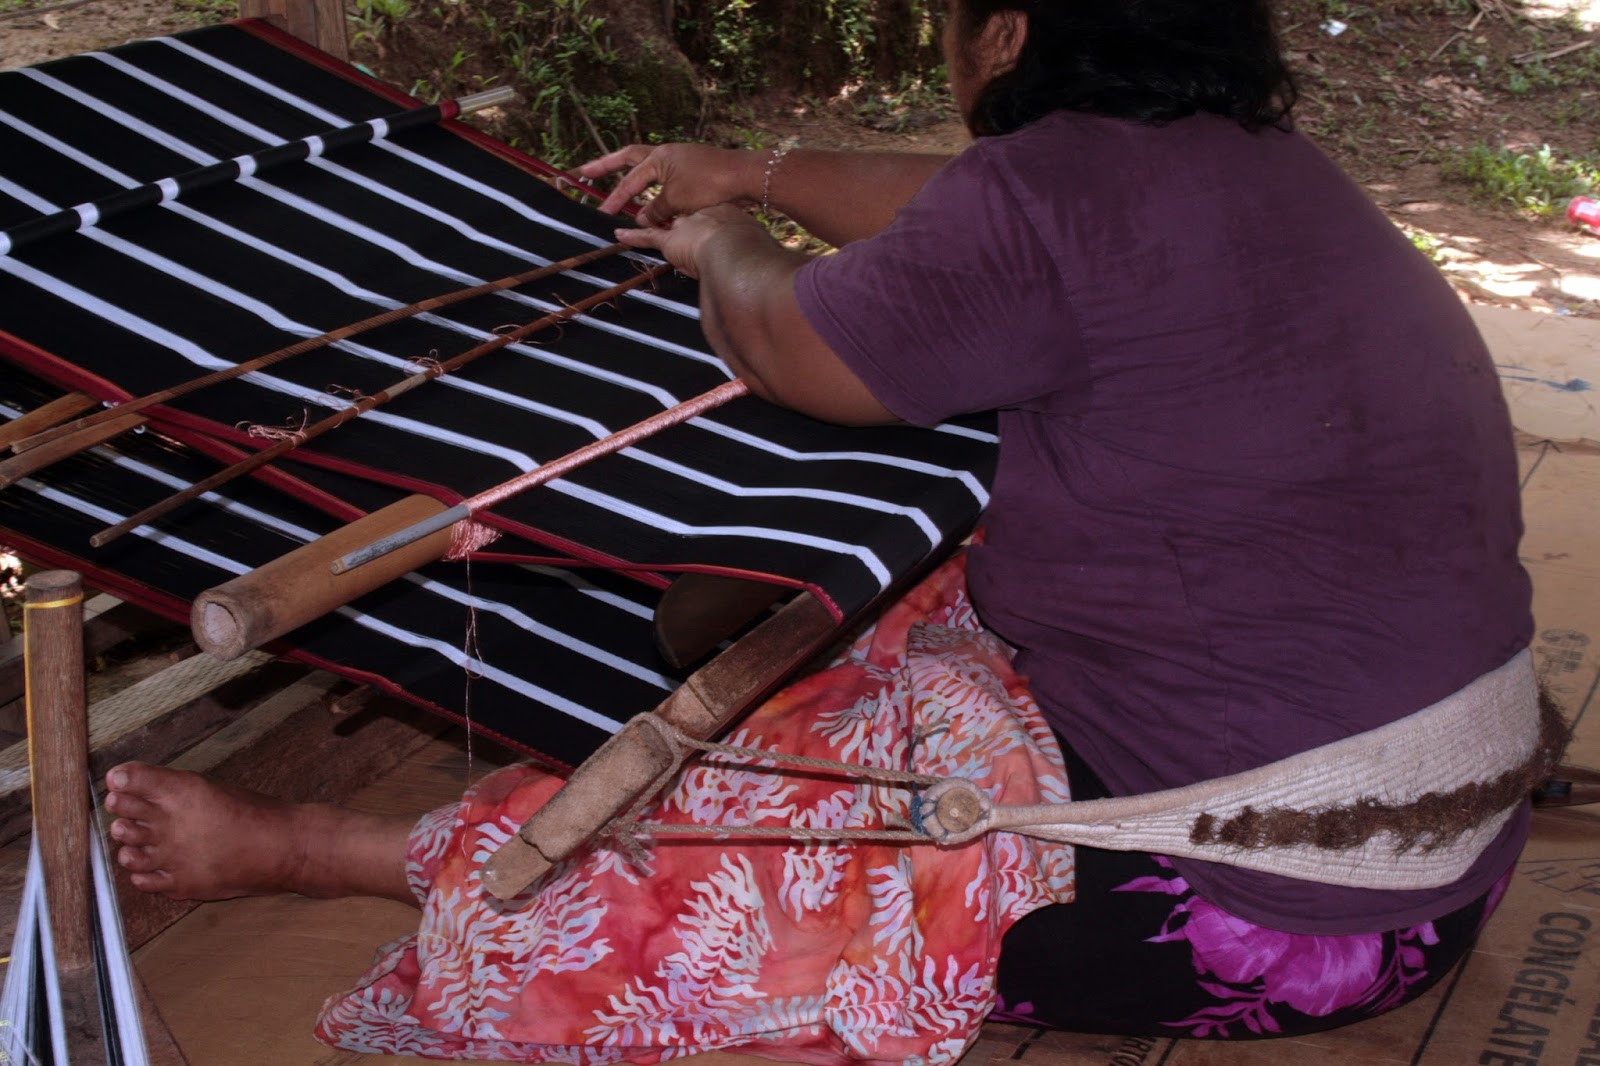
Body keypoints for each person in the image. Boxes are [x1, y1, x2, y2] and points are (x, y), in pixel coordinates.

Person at [105, 0, 1551, 1053]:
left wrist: (727, 244)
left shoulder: (1054, 202)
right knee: (877, 636)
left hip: (1260, 915)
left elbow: (792, 350)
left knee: (756, 839)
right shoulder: (1262, 170)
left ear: (1007, 32)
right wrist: (754, 170)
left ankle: (338, 848)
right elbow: (963, 206)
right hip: (1444, 842)